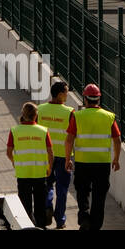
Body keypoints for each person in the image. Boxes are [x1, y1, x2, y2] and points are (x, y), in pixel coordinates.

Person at [65, 83, 121, 231]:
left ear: (85, 99)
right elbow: (117, 139)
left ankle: (84, 217)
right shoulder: (109, 116)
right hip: (102, 164)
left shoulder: (77, 116)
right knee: (99, 196)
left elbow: (69, 139)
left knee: (82, 192)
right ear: (98, 99)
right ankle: (95, 225)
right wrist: (116, 159)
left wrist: (67, 159)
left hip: (83, 163)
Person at [7, 101, 53, 228]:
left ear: (23, 114)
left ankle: (26, 225)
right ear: (36, 115)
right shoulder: (43, 131)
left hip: (23, 173)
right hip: (39, 173)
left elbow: (9, 152)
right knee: (40, 202)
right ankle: (41, 225)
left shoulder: (15, 131)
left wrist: (15, 162)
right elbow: (50, 153)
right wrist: (49, 167)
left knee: (25, 202)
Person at [37, 81, 74, 229]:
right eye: (66, 92)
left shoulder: (40, 109)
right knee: (63, 188)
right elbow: (72, 136)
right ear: (59, 95)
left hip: (46, 155)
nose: (67, 94)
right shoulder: (70, 112)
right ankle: (60, 220)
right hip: (64, 156)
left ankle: (46, 207)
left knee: (46, 185)